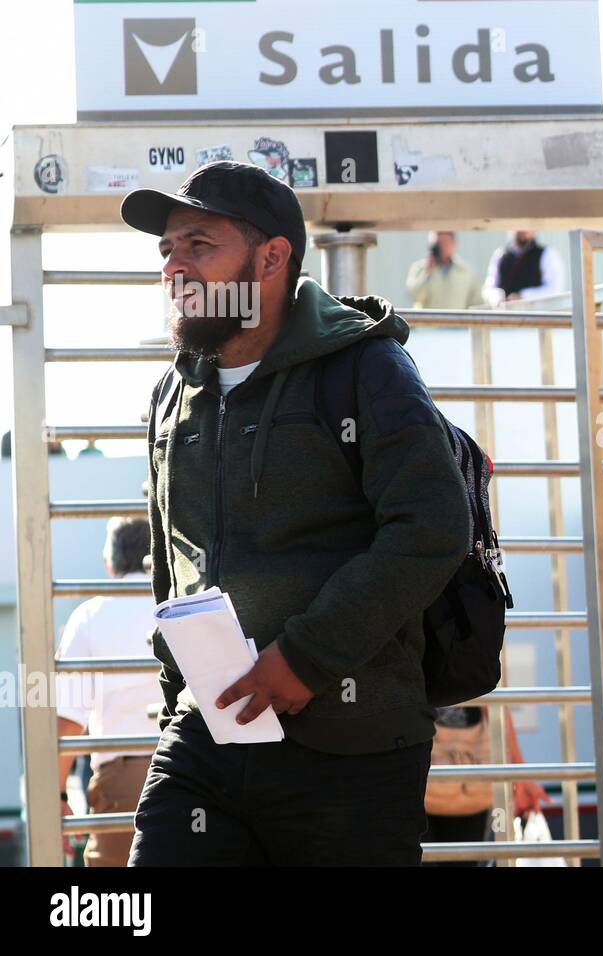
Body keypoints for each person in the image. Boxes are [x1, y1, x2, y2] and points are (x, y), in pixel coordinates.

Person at [119, 160, 471, 866]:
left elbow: (433, 528)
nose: (173, 268)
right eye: (167, 249)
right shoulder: (169, 396)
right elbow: (173, 568)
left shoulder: (365, 368)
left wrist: (306, 659)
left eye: (198, 244)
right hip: (205, 738)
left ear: (273, 256)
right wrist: (176, 700)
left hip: (353, 745)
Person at [54, 517, 162, 867]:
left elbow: (68, 721)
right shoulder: (181, 604)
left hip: (122, 785)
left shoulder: (89, 615)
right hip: (200, 768)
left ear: (109, 563)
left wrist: (55, 796)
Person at [422, 705, 549, 866]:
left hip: (439, 783)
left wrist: (520, 776)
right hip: (469, 785)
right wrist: (520, 775)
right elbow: (498, 707)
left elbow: (499, 709)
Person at [481, 230, 564, 306]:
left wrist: (523, 296)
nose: (523, 229)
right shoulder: (500, 255)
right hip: (506, 317)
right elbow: (488, 288)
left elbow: (554, 290)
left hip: (537, 317)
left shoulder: (548, 254)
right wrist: (497, 297)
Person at [405, 231, 484, 310]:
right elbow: (414, 296)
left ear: (454, 244)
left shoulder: (466, 271)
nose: (441, 247)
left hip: (457, 321)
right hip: (428, 321)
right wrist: (427, 274)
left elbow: (476, 302)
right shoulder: (419, 268)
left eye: (444, 243)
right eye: (437, 244)